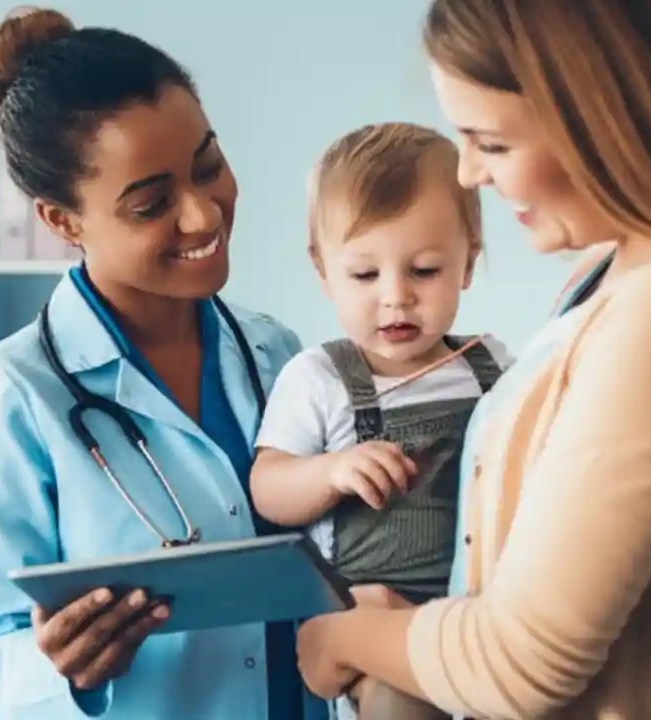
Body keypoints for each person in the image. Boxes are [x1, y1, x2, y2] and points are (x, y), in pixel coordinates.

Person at [295, 1, 651, 718]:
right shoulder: (607, 274)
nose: (470, 174)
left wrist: (348, 639)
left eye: (493, 144)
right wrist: (400, 629)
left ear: (597, 116)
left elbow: (524, 660)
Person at [0, 7, 318, 719]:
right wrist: (65, 670)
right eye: (151, 204)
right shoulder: (13, 397)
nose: (203, 215)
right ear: (63, 220)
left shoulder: (278, 355)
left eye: (209, 166)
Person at [251, 122, 509, 719]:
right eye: (365, 275)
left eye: (423, 271)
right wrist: (331, 472)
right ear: (323, 271)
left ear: (468, 262)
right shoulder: (320, 378)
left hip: (480, 621)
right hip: (372, 630)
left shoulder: (492, 366)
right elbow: (268, 487)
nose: (395, 297)